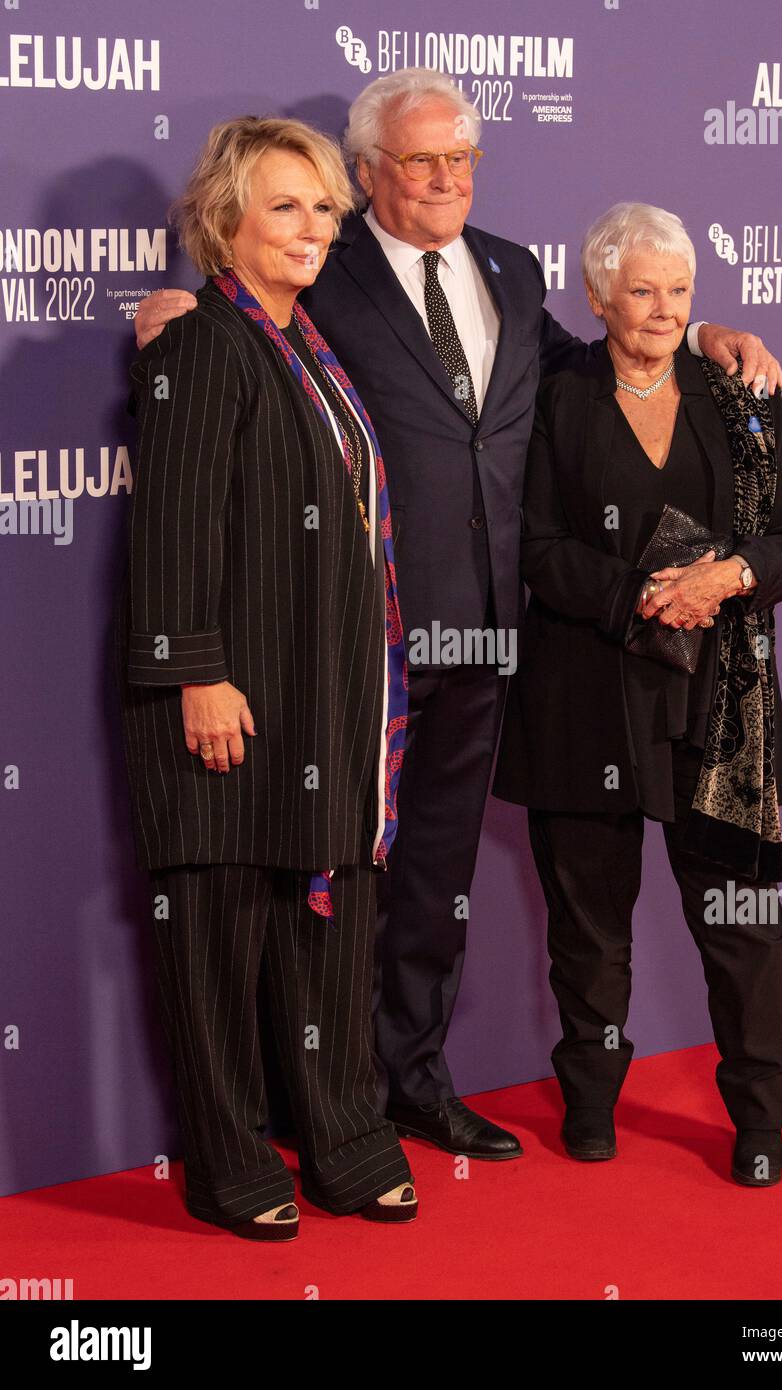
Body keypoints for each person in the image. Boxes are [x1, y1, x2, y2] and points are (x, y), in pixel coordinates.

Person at [134, 68, 782, 1164]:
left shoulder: (512, 270)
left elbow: (590, 366)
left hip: (489, 633)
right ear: (370, 172)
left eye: (463, 159)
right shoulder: (322, 271)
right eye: (421, 160)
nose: (445, 179)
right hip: (358, 632)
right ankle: (306, 1097)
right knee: (331, 877)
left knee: (435, 883)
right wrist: (181, 304)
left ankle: (411, 1084)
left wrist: (702, 327)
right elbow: (252, 336)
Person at [114, 116, 416, 1240]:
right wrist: (195, 673)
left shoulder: (309, 346)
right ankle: (229, 1157)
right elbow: (177, 529)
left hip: (323, 697)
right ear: (226, 219)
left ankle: (342, 1137)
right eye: (285, 205)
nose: (312, 226)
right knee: (218, 938)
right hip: (229, 699)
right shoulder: (203, 344)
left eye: (326, 207)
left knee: (326, 938)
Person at [493, 202, 782, 1186]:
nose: (665, 310)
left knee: (743, 927)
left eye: (680, 291)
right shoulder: (557, 399)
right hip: (584, 694)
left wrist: (727, 578)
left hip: (720, 709)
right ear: (597, 297)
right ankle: (591, 1104)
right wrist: (637, 594)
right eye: (642, 290)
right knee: (590, 927)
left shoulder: (740, 393)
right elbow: (536, 548)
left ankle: (759, 1119)